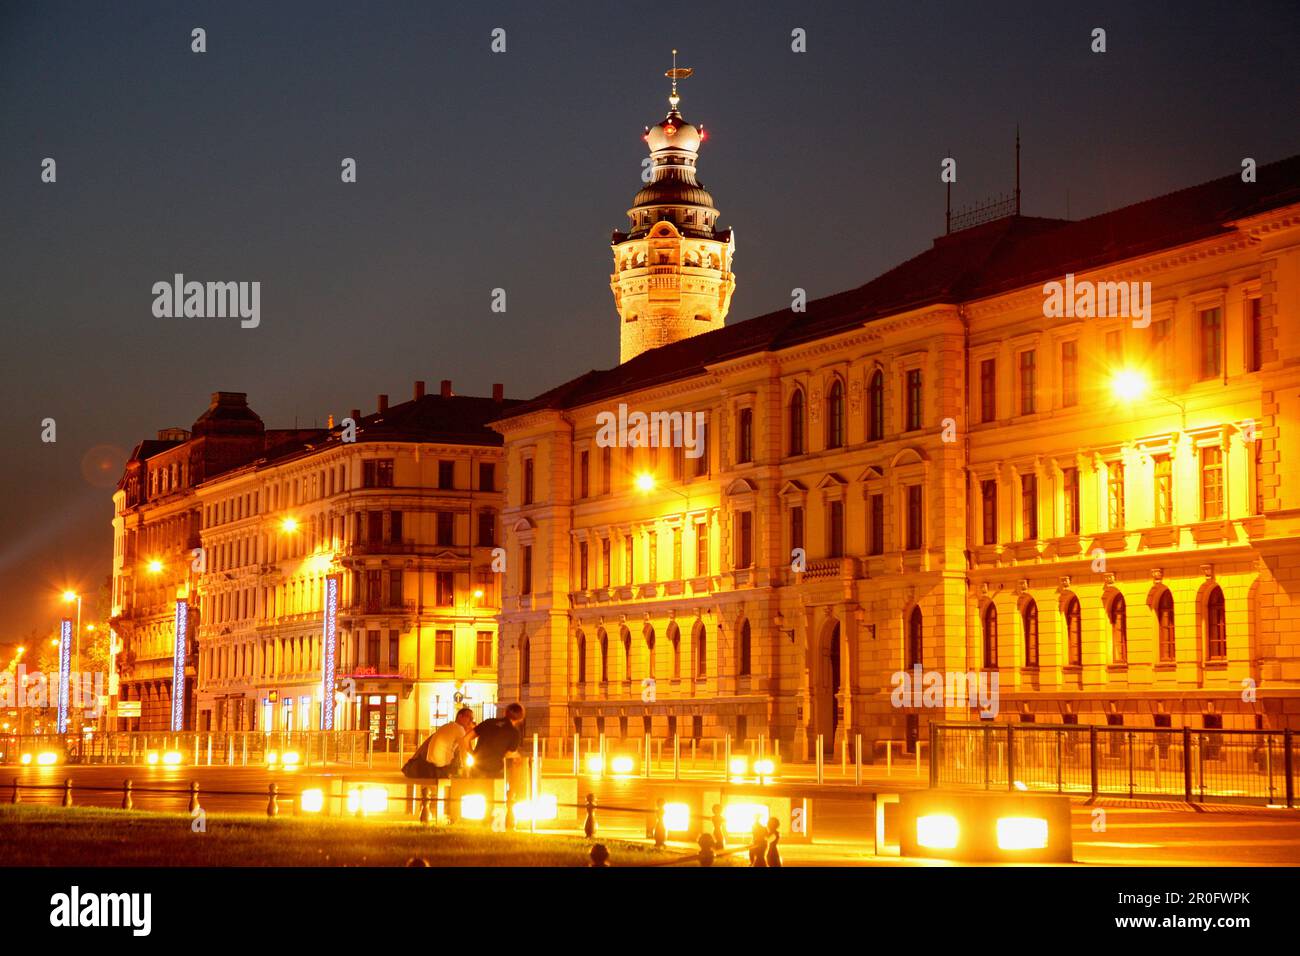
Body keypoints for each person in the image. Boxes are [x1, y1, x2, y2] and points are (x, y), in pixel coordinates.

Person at [402, 707, 475, 780]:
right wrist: (467, 773)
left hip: (429, 767)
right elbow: (464, 751)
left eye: (472, 719)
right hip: (440, 770)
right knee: (462, 771)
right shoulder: (459, 728)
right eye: (469, 717)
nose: (471, 721)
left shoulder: (447, 726)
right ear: (460, 716)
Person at [463, 702, 525, 777]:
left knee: (475, 788)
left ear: (505, 712)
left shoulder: (488, 722)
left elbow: (466, 739)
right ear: (520, 718)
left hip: (477, 766)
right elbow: (509, 755)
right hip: (496, 769)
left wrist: (473, 754)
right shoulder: (514, 732)